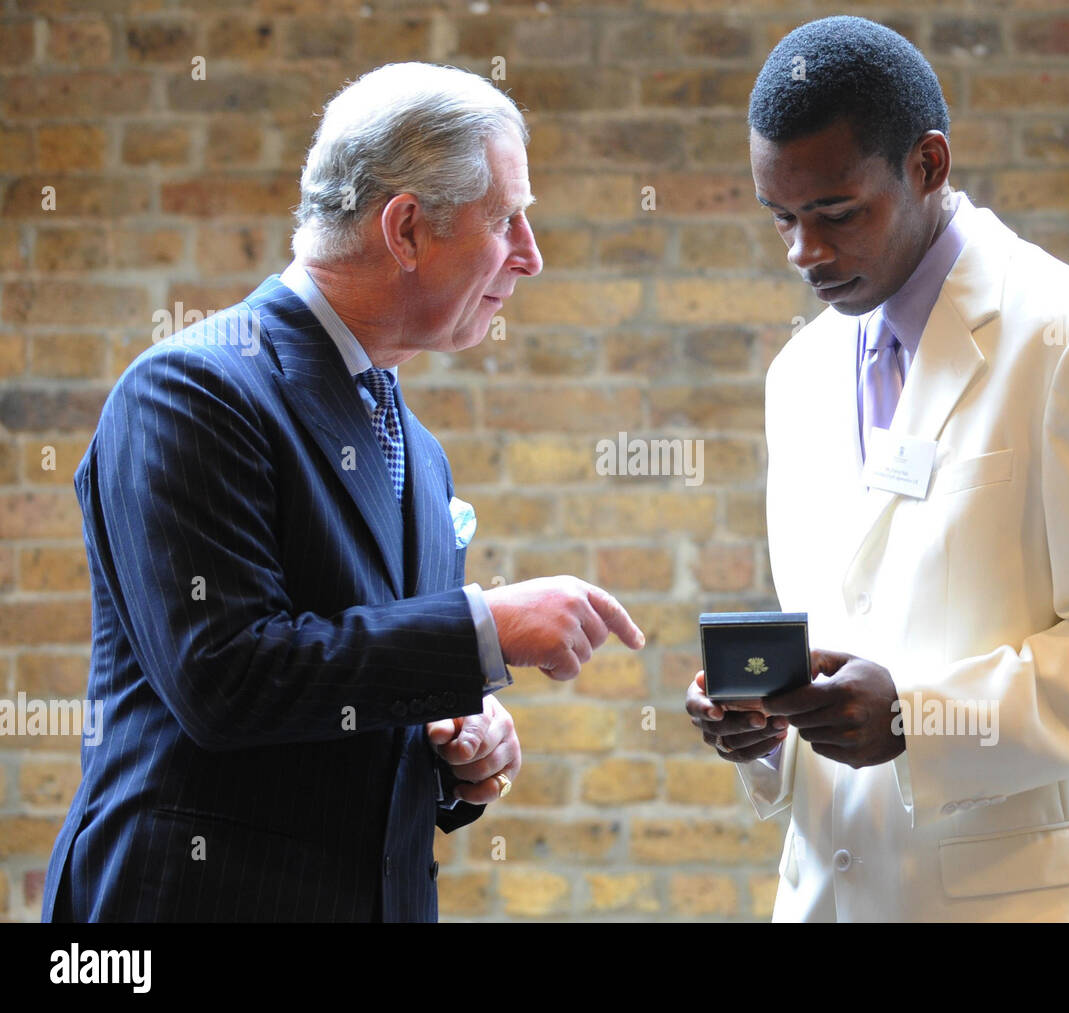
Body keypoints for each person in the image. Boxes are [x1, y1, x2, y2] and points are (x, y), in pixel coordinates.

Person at [43, 62, 644, 922]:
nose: (531, 256)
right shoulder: (191, 388)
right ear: (405, 229)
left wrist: (451, 749)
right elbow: (226, 678)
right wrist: (484, 629)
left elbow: (352, 690)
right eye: (508, 219)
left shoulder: (420, 455)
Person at [686, 17, 1069, 921]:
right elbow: (853, 624)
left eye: (836, 214)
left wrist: (916, 718)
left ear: (927, 165)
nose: (803, 253)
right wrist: (766, 725)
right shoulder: (798, 375)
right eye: (781, 217)